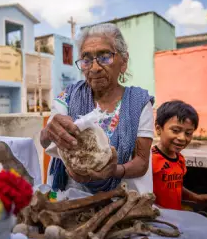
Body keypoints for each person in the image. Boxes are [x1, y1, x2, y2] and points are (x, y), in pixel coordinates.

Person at [40, 23, 155, 194]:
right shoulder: (69, 96)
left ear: (123, 62)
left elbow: (141, 162)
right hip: (72, 199)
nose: (94, 68)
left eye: (105, 56)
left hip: (120, 202)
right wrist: (49, 131)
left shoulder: (139, 102)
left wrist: (114, 171)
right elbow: (45, 141)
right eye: (86, 60)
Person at [152, 100, 207, 210]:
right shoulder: (150, 160)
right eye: (176, 130)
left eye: (188, 133)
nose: (182, 138)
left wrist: (196, 197)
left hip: (175, 217)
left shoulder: (180, 159)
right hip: (157, 219)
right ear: (159, 129)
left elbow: (175, 186)